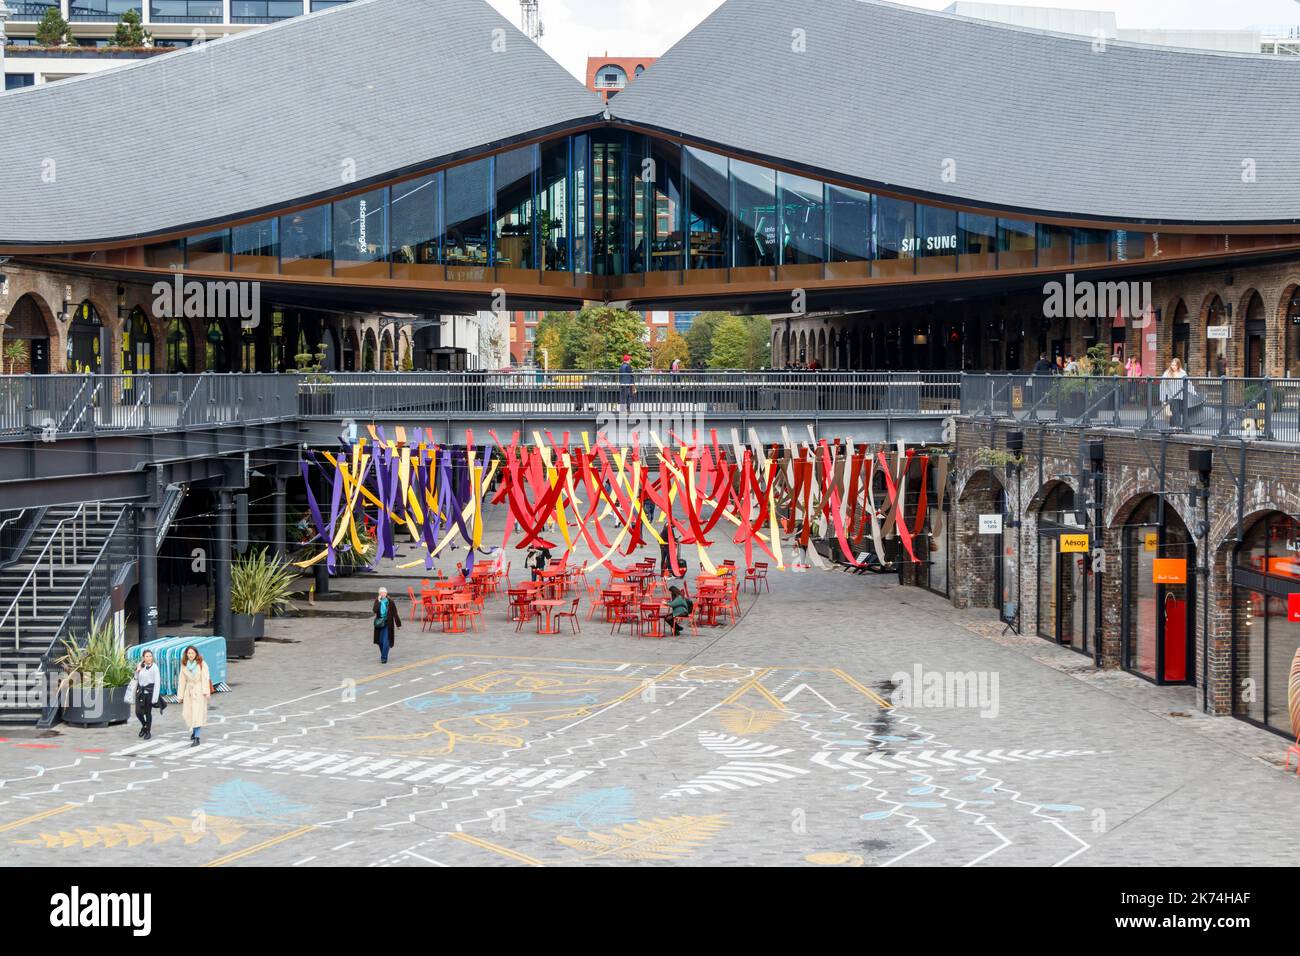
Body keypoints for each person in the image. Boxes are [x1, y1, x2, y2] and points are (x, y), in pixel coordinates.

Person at [175, 646, 211, 748]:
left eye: (192, 653)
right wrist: (180, 696)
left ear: (196, 654)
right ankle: (194, 731)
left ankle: (197, 737)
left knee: (198, 713)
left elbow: (205, 678)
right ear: (186, 654)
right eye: (189, 653)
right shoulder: (184, 665)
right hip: (189, 692)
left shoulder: (202, 664)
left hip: (199, 691)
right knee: (190, 713)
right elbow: (181, 681)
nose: (190, 655)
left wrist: (206, 692)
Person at [127, 650, 161, 740]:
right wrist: (137, 671)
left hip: (149, 693)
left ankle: (148, 731)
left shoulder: (155, 667)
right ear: (143, 658)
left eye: (150, 656)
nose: (149, 658)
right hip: (140, 692)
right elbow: (135, 678)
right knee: (138, 712)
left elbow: (157, 683)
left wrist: (155, 698)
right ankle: (145, 726)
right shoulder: (140, 665)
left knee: (147, 713)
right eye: (147, 656)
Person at [372, 585, 401, 664]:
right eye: (381, 593)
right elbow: (374, 610)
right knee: (380, 641)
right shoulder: (377, 601)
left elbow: (395, 613)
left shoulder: (390, 601)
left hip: (388, 624)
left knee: (386, 641)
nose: (382, 594)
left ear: (386, 593)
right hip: (379, 624)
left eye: (384, 593)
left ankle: (384, 657)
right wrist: (378, 602)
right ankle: (384, 654)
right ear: (379, 594)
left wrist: (398, 624)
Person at [1161, 357, 1191, 427]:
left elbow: (1188, 383)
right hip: (1172, 395)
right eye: (1172, 365)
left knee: (1178, 411)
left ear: (1178, 365)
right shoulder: (1167, 372)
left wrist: (1192, 392)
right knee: (1174, 411)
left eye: (1175, 365)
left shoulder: (1182, 372)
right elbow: (1163, 382)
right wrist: (1163, 396)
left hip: (1181, 395)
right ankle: (1177, 426)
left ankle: (1173, 426)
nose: (1173, 367)